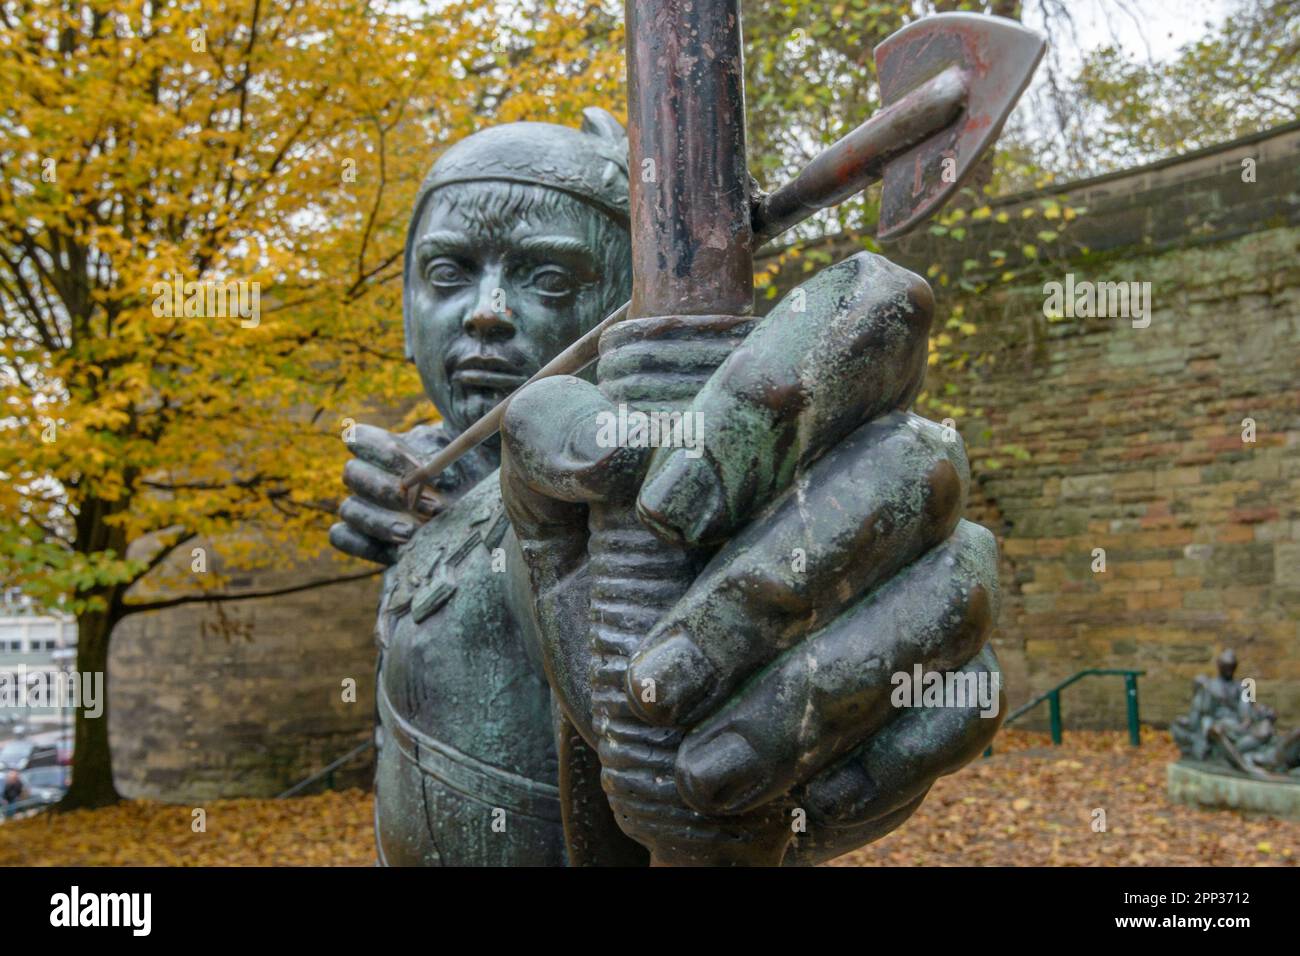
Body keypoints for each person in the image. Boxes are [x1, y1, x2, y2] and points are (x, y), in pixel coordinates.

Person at [331, 109, 1002, 865]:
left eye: (549, 276)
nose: (486, 312)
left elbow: (548, 538)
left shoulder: (594, 513)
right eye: (449, 271)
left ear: (629, 300)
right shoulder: (425, 486)